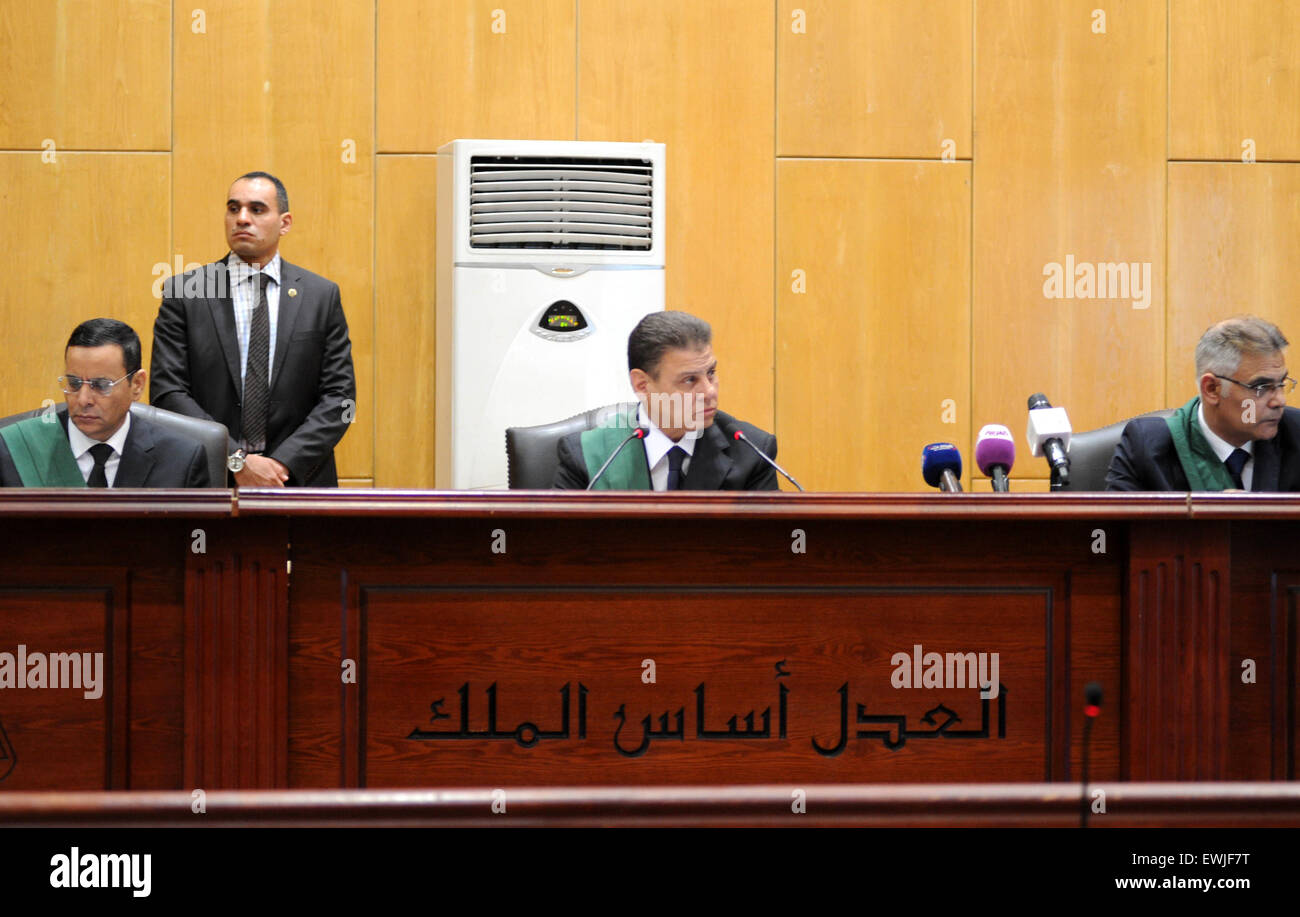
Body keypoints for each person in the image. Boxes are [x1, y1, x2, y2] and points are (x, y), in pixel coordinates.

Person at [150, 171, 356, 486]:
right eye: (234, 209)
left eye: (256, 209)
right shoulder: (186, 292)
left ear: (284, 223)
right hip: (209, 478)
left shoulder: (320, 296)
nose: (242, 218)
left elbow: (339, 398)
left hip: (298, 481)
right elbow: (169, 393)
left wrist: (282, 464)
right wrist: (236, 460)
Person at [554, 311, 779, 490]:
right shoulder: (588, 456)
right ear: (642, 384)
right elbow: (558, 544)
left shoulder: (752, 453)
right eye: (690, 380)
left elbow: (768, 544)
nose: (709, 391)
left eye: (711, 373)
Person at [0, 319, 209, 487]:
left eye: (101, 385)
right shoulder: (12, 451)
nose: (83, 399)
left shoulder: (181, 460)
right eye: (73, 383)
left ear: (137, 385)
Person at [1106, 315, 1300, 491]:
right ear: (1212, 389)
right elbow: (1110, 529)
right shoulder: (1147, 447)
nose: (1279, 401)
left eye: (1281, 383)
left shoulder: (1295, 433)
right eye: (1261, 387)